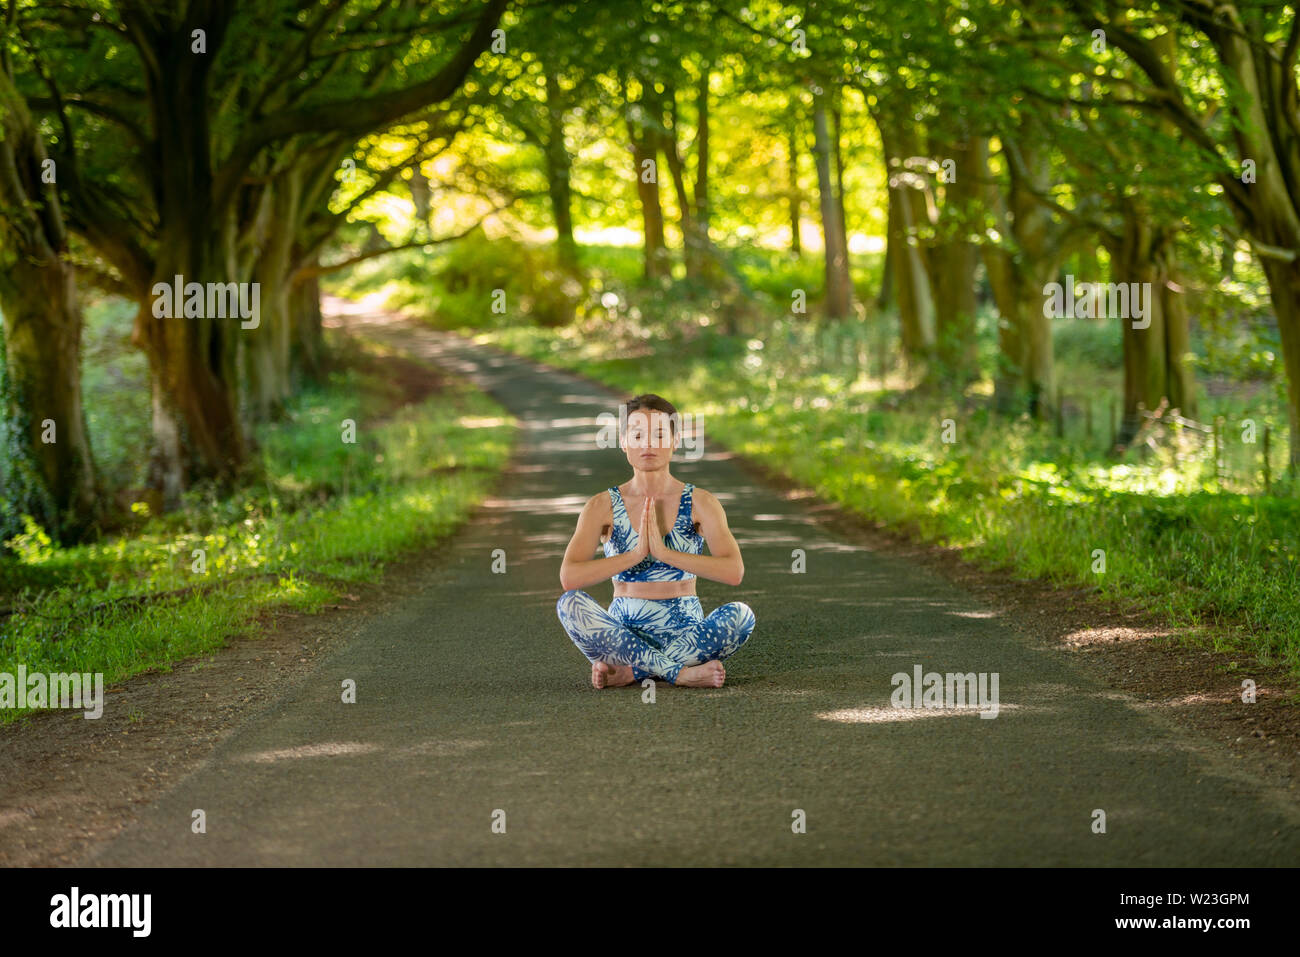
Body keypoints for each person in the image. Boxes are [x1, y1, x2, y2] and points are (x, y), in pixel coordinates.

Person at [556, 393, 756, 689]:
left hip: (686, 636)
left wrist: (664, 552)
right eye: (637, 435)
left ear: (675, 442)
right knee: (568, 604)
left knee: (742, 615)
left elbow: (734, 571)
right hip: (623, 637)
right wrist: (636, 555)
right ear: (623, 442)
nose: (647, 444)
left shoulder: (701, 502)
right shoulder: (601, 506)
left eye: (659, 434)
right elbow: (569, 577)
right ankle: (679, 673)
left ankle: (633, 673)